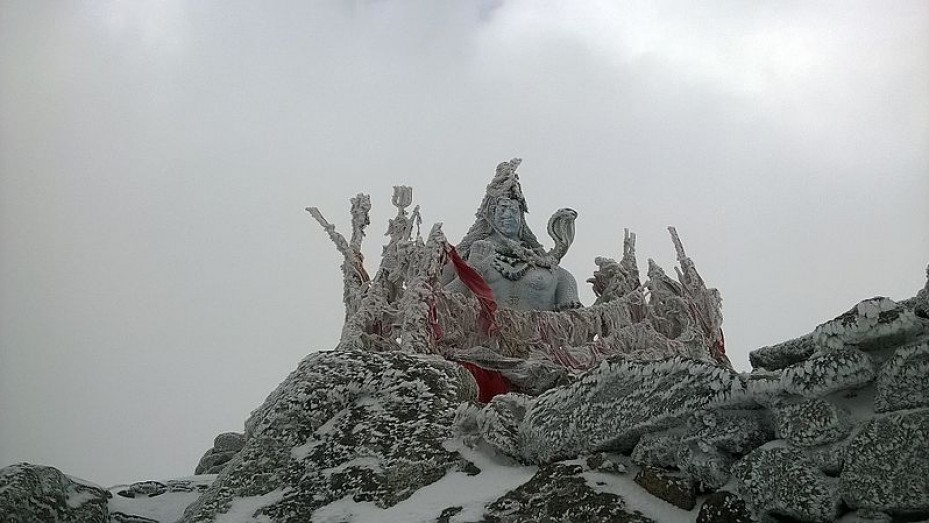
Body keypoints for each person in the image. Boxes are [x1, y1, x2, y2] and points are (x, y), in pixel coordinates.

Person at [444, 159, 582, 313]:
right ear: (490, 214)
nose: (508, 214)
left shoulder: (557, 274)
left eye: (514, 210)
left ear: (521, 217)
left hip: (536, 336)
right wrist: (472, 272)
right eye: (502, 209)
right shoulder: (463, 261)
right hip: (483, 336)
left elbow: (575, 323)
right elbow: (438, 307)